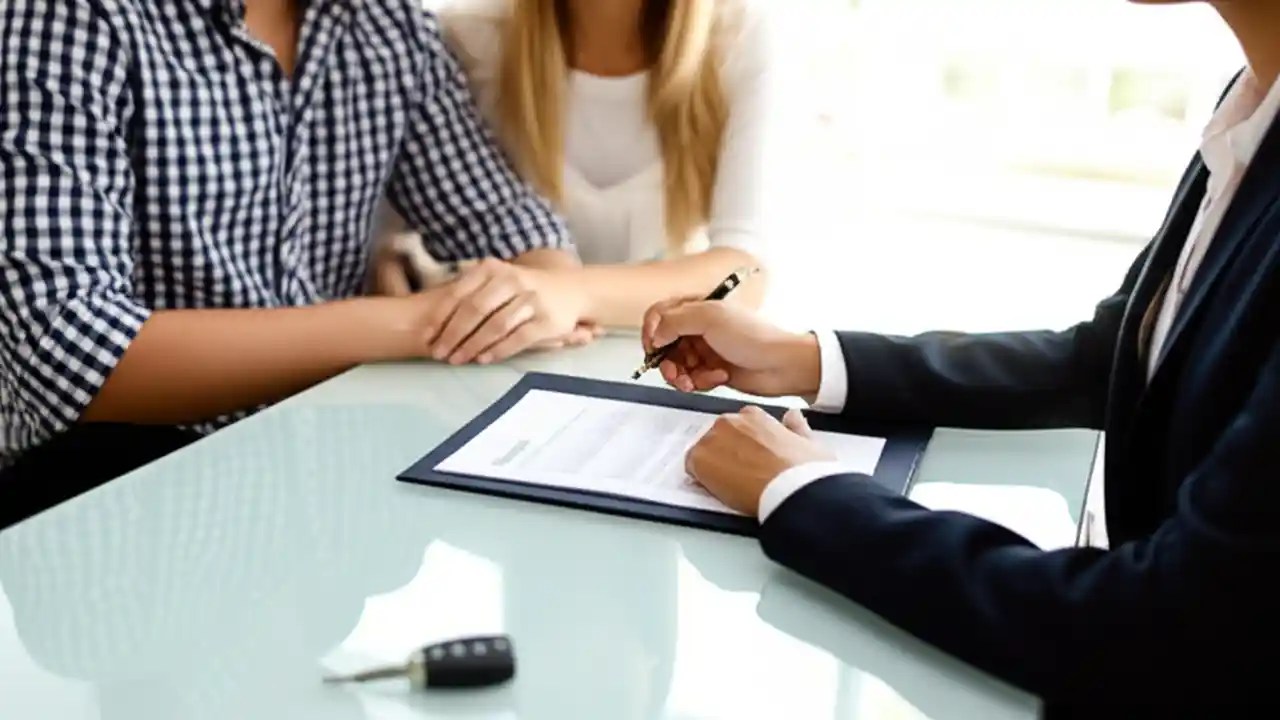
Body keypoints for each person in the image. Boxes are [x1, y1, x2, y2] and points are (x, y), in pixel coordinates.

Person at [642, 0, 1280, 710]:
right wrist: (802, 359)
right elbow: (1108, 364)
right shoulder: (1254, 100)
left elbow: (1162, 628)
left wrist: (804, 491)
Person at [0, 1, 597, 486]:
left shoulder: (385, 23)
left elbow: (508, 222)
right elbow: (63, 346)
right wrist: (415, 323)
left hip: (321, 473)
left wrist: (530, 295)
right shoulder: (74, 18)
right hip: (115, 479)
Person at [375, 0, 780, 331]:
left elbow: (743, 273)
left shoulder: (738, 36)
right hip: (499, 347)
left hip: (653, 350)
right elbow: (385, 249)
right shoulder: (470, 38)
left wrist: (566, 295)